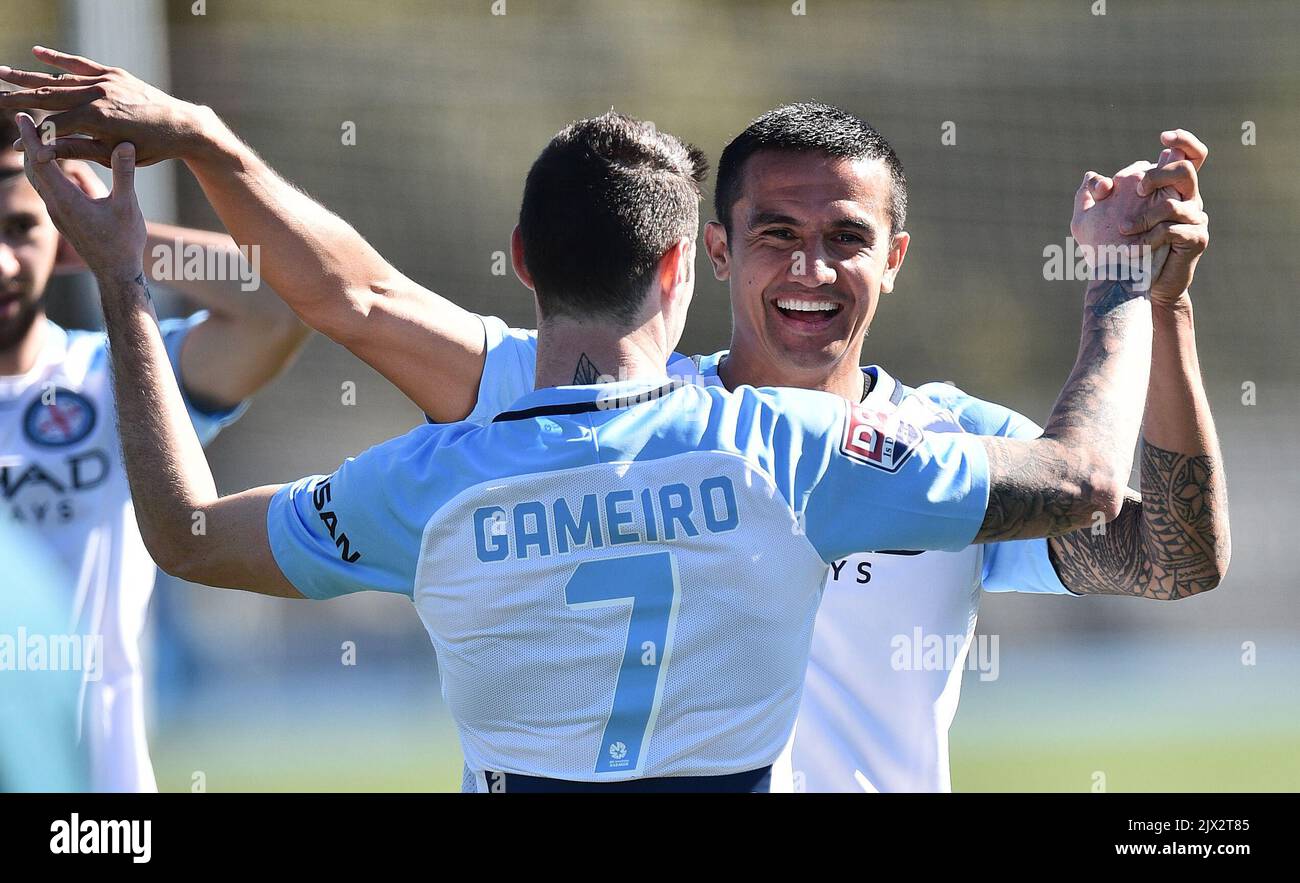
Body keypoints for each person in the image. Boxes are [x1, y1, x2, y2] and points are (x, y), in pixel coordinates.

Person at [1, 51, 1228, 791]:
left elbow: (1167, 559)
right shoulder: (609, 416)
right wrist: (1115, 291)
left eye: (846, 239)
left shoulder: (937, 432)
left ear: (894, 257)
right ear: (702, 256)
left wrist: (1163, 311)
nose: (810, 270)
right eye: (776, 237)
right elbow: (354, 293)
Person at [0, 105, 310, 791]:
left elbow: (278, 306)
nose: (1, 260)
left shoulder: (116, 380)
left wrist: (120, 244)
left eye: (20, 228)